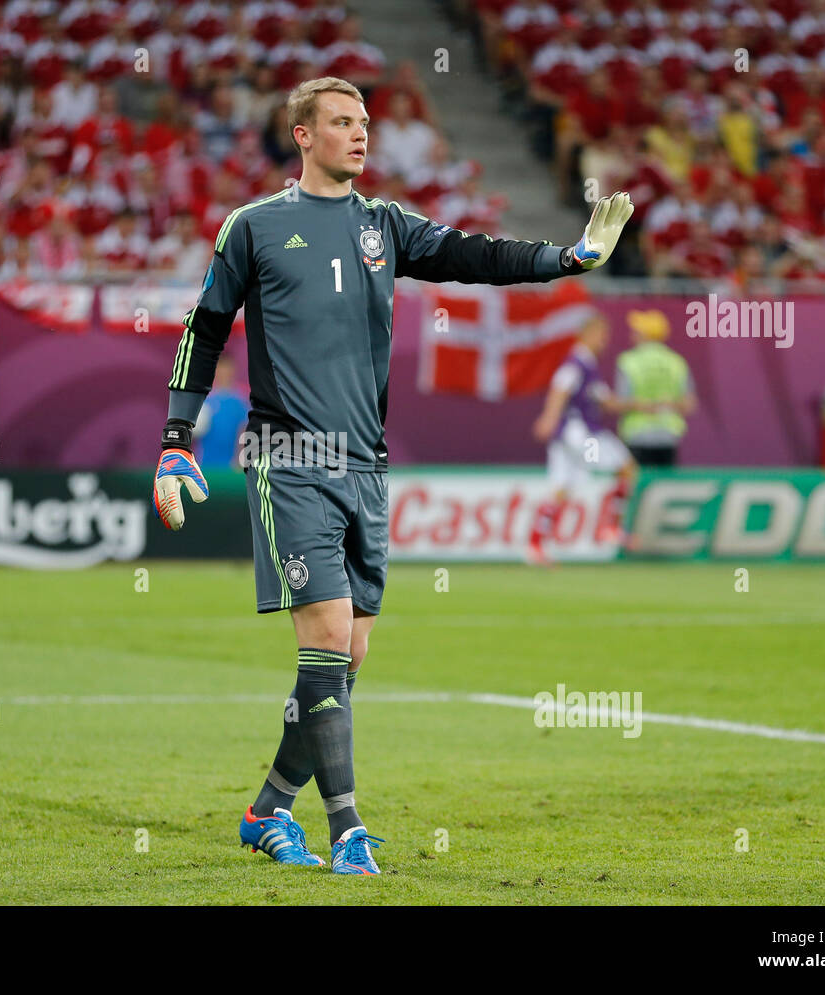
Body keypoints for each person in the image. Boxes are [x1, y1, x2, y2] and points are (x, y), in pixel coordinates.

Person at [152, 76, 634, 874]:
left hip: (366, 466)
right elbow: (204, 328)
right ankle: (347, 830)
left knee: (349, 658)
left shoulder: (386, 225)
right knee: (328, 636)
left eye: (364, 121)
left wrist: (567, 258)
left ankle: (267, 810)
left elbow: (475, 255)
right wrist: (177, 437)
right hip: (290, 458)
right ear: (303, 136)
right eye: (341, 122)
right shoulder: (253, 227)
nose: (360, 133)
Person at [528, 312, 645, 567]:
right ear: (588, 334)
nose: (605, 341)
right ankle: (611, 527)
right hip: (579, 432)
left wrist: (641, 405)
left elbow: (607, 402)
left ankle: (535, 546)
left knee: (560, 490)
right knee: (627, 469)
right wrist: (548, 417)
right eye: (602, 335)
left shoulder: (589, 367)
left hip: (566, 437)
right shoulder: (576, 363)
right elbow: (561, 387)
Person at [614, 309, 697, 467]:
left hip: (636, 434)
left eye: (637, 331)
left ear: (647, 334)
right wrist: (666, 406)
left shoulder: (628, 361)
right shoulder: (677, 362)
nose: (632, 334)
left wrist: (642, 406)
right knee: (662, 484)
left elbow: (620, 402)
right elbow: (689, 404)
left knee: (637, 487)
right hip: (668, 435)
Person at [191, 356, 246, 469]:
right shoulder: (203, 400)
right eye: (221, 368)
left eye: (227, 368)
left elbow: (244, 432)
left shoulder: (241, 401)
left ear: (233, 370)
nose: (224, 372)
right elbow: (192, 435)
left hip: (231, 467)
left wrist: (239, 461)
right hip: (205, 465)